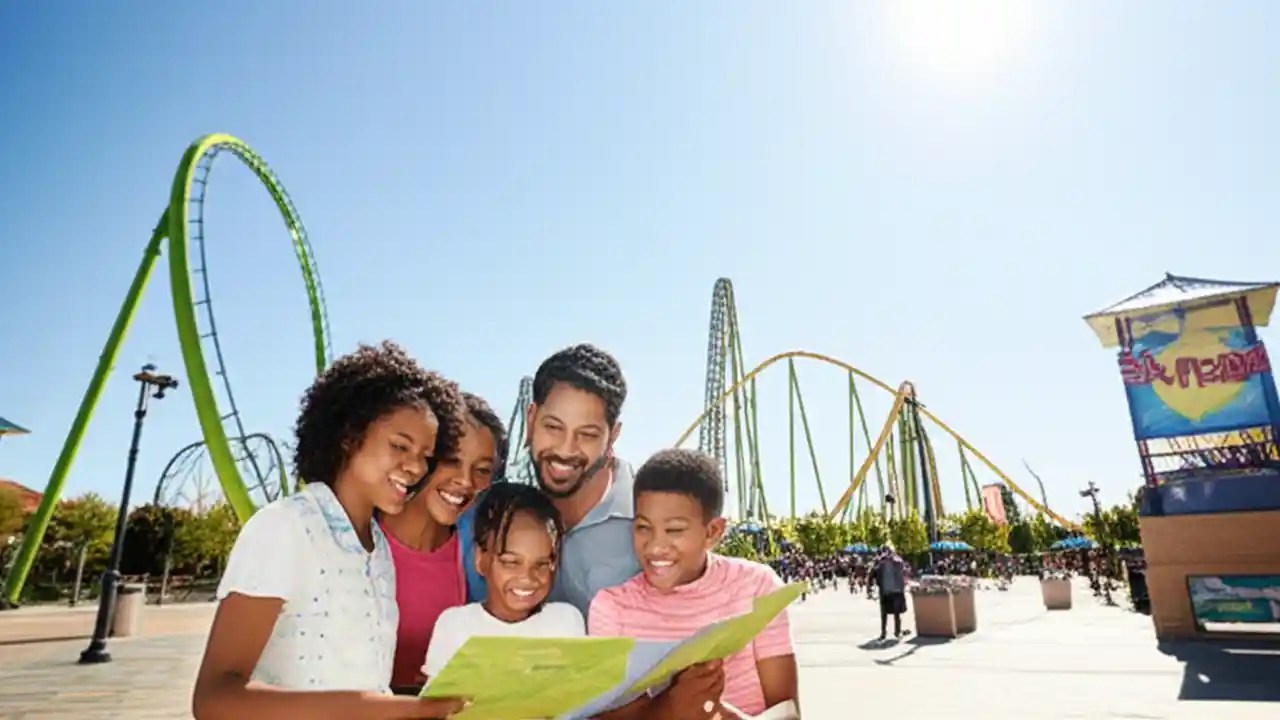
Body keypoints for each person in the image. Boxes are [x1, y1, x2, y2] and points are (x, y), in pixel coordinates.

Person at [191, 341, 469, 719]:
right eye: (400, 446)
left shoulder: (378, 548)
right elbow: (214, 700)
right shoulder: (284, 528)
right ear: (349, 435)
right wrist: (371, 709)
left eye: (425, 456)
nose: (416, 468)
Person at [589, 449, 800, 719]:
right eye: (643, 527)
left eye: (674, 530)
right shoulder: (612, 607)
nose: (656, 546)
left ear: (713, 532)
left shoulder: (757, 587)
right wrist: (671, 707)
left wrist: (719, 713)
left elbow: (787, 713)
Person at [459, 343, 640, 617]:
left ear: (612, 436)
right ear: (531, 420)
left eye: (587, 434)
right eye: (553, 427)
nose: (565, 450)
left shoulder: (649, 519)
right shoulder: (491, 510)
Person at [380, 392, 508, 692]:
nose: (465, 481)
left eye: (482, 470)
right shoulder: (359, 541)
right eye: (451, 460)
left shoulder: (477, 558)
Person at [422, 483, 585, 683]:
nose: (527, 577)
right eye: (510, 562)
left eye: (542, 564)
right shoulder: (456, 626)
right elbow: (437, 706)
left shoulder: (565, 621)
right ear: (480, 559)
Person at [871, 544, 908, 641]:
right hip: (887, 590)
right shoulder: (880, 562)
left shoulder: (897, 561)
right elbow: (873, 573)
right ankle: (885, 632)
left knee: (894, 613)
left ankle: (895, 632)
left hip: (894, 590)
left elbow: (903, 572)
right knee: (886, 613)